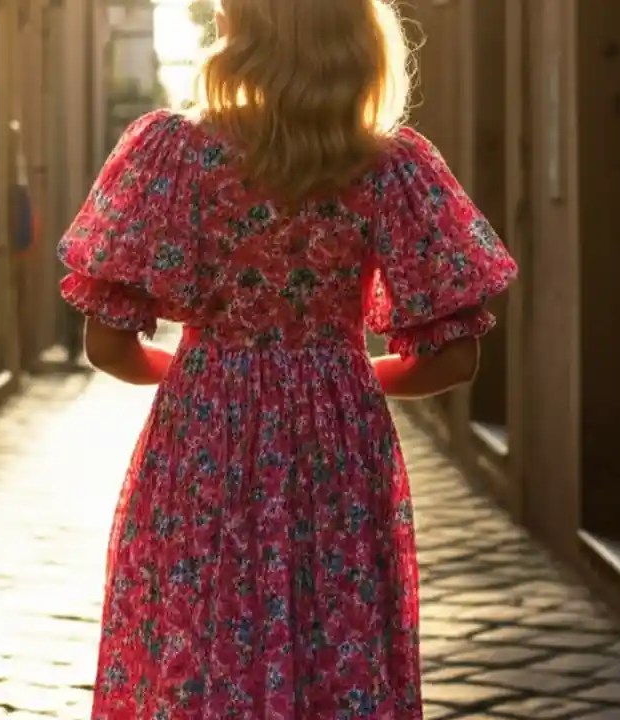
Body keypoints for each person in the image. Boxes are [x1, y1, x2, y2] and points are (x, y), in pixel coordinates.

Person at [56, 0, 517, 715]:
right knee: (338, 642)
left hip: (202, 443)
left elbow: (108, 346)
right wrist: (346, 381)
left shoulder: (175, 154)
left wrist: (206, 378)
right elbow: (454, 361)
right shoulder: (393, 168)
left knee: (198, 646)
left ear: (240, 31)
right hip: (340, 449)